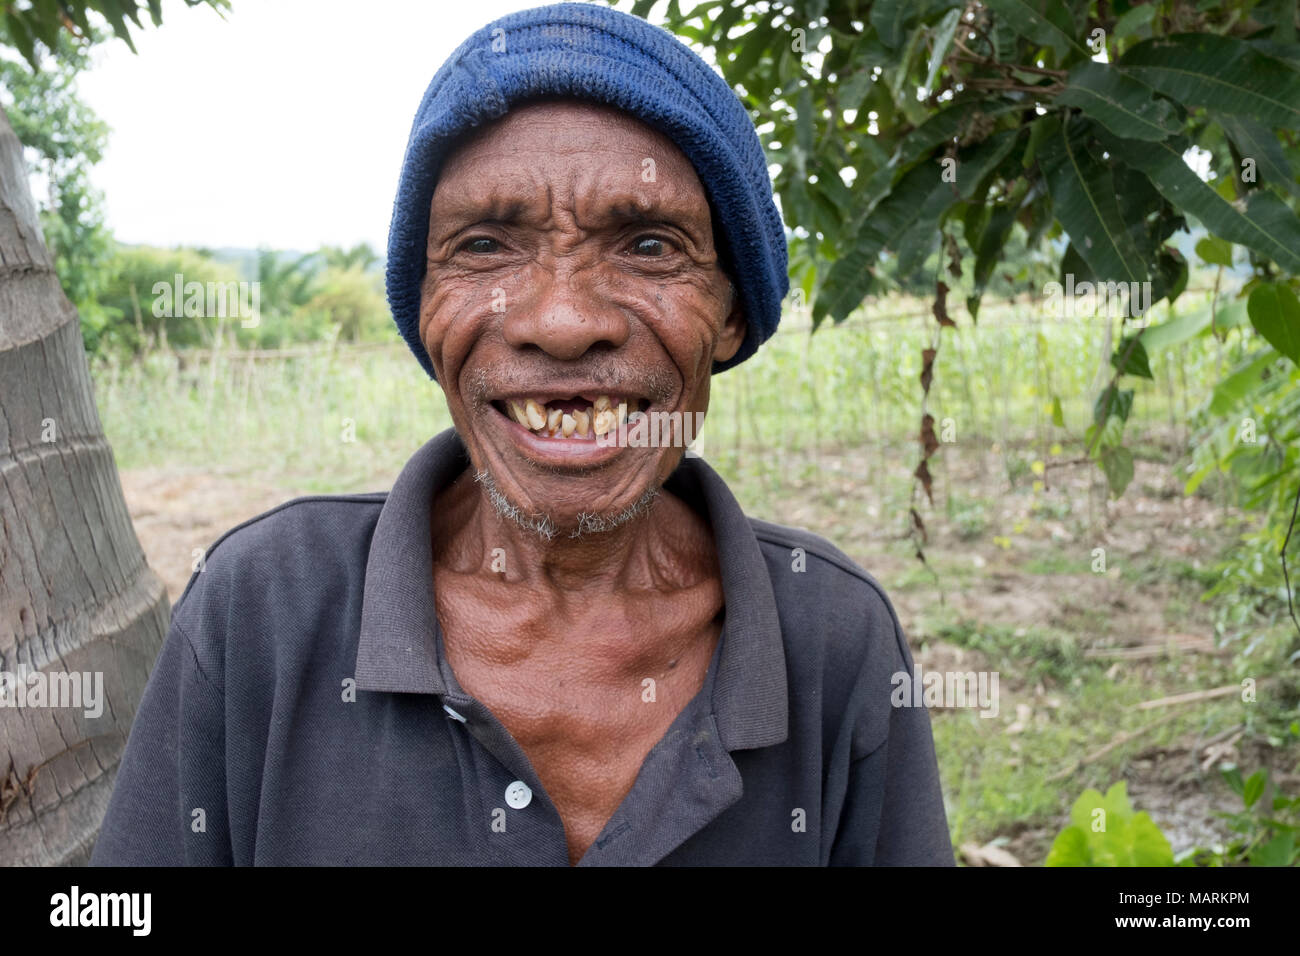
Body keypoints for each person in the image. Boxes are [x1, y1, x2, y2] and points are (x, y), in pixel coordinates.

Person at [90, 2, 953, 866]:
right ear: (424, 310)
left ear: (729, 315)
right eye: (486, 245)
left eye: (649, 245)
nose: (565, 321)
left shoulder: (835, 639)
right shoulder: (262, 609)